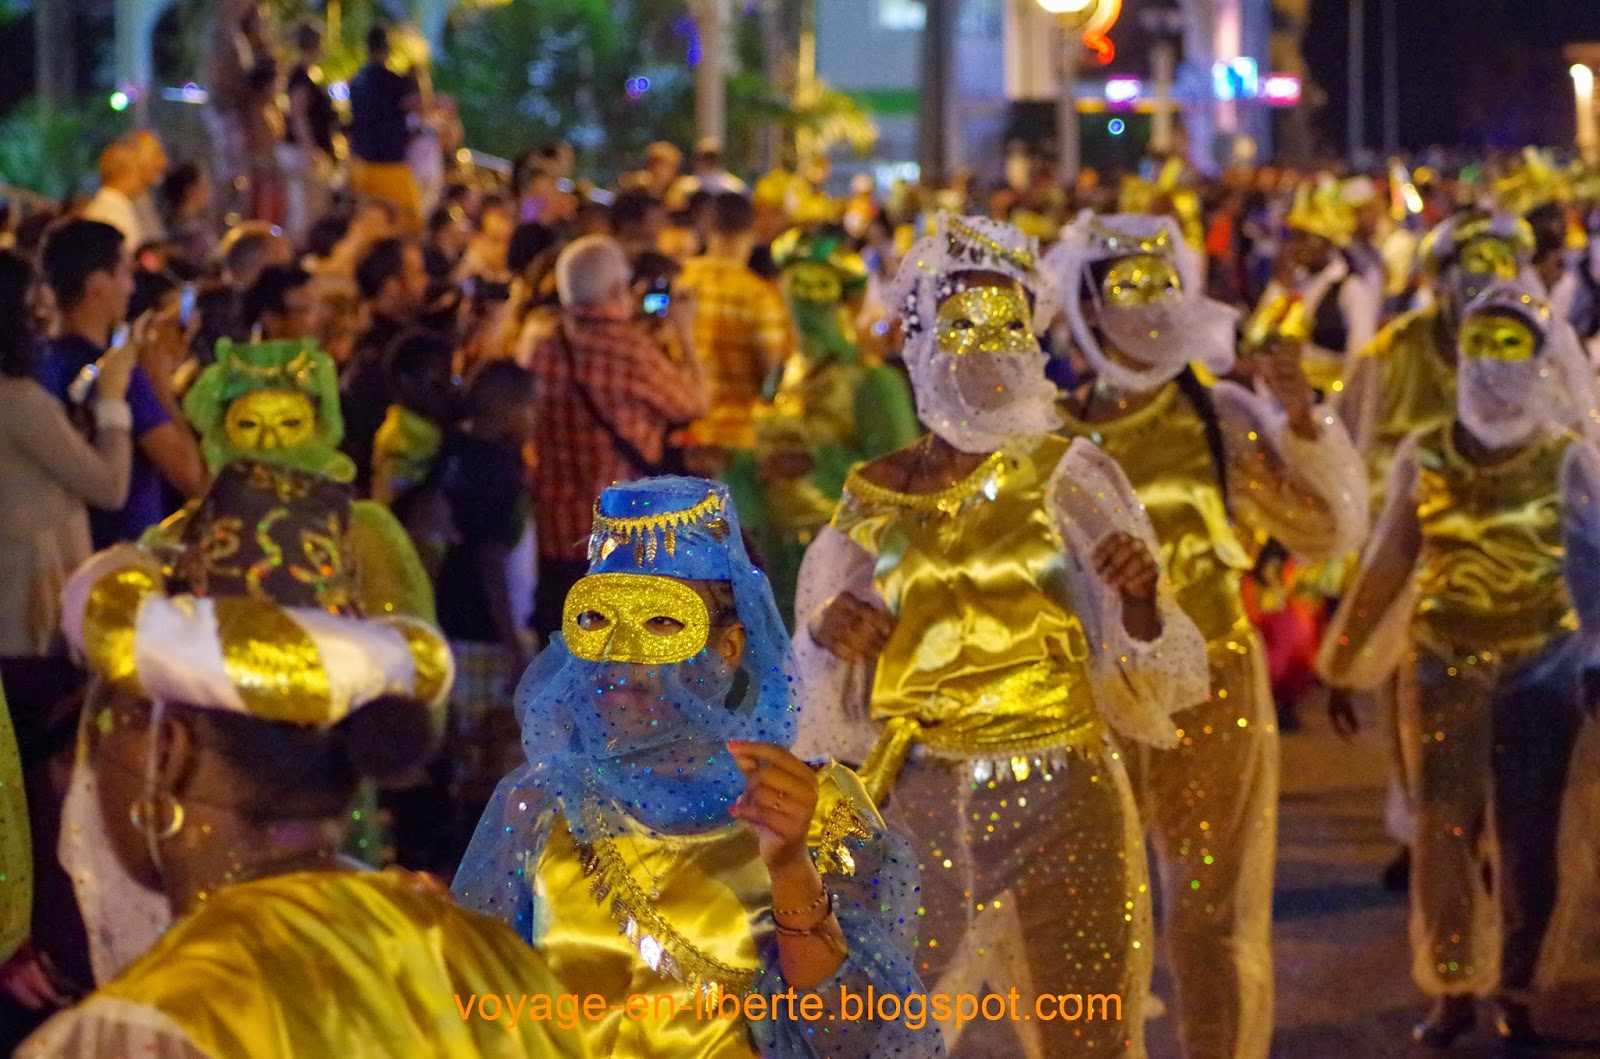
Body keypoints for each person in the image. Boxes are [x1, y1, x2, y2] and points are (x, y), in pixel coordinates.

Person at [793, 214, 1212, 1056]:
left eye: (1004, 326)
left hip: (1068, 791)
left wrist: (1139, 599)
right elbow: (819, 676)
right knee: (877, 1030)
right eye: (960, 325)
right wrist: (832, 631)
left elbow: (1148, 661)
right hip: (922, 796)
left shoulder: (1071, 473)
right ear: (919, 339)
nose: (983, 348)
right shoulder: (871, 495)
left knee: (1088, 1028)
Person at [16, 466, 585, 1058]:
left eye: (119, 719)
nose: (82, 766)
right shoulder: (490, 963)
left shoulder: (143, 1033)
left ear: (168, 753)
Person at [454, 476, 939, 1058]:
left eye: (661, 622)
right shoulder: (542, 804)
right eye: (597, 620)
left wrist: (788, 867)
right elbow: (476, 1018)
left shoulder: (814, 808)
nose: (621, 655)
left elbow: (860, 1039)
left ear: (729, 647)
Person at [1045, 211, 1370, 1059]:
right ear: (1084, 301)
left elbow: (1322, 528)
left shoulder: (1219, 415)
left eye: (1162, 282)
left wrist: (1302, 424)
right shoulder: (1045, 436)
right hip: (1095, 701)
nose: (1148, 304)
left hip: (1214, 684)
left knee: (1209, 914)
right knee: (1096, 920)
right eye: (1125, 285)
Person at [1320, 283, 1600, 1048]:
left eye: (1512, 347)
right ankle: (1449, 987)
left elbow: (1595, 564)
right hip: (1441, 669)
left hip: (1540, 672)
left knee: (1525, 837)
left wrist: (1597, 661)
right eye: (1481, 345)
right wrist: (1342, 663)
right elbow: (1389, 562)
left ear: (1541, 363)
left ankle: (1516, 984)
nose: (1492, 366)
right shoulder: (1428, 451)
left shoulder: (1568, 456)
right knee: (1443, 835)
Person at [157, 336, 436, 622]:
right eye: (249, 424)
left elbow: (405, 635)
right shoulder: (188, 528)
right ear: (222, 433)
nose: (268, 441)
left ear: (317, 428)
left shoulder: (361, 528)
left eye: (289, 423)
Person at [731, 225, 918, 625]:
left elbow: (904, 484)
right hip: (774, 557)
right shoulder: (782, 374)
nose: (807, 305)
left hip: (843, 562)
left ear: (844, 301)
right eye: (797, 287)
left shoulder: (873, 382)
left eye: (821, 290)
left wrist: (816, 462)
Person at [528, 235, 708, 638]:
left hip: (554, 532)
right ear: (615, 291)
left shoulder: (539, 343)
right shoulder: (630, 351)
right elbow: (694, 403)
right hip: (619, 536)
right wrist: (684, 335)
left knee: (560, 650)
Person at [424, 360, 538, 865]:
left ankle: (453, 843)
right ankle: (476, 856)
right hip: (482, 630)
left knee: (461, 746)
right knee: (485, 748)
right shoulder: (495, 469)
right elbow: (490, 558)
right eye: (531, 406)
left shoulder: (456, 454)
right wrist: (512, 642)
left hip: (452, 619)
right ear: (510, 408)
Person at [35, 220, 207, 546]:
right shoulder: (119, 375)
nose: (131, 288)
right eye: (125, 273)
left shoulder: (33, 366)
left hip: (62, 553)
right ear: (97, 284)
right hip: (122, 564)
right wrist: (159, 380)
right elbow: (192, 478)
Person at [0, 250, 134, 658]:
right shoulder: (17, 400)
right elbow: (110, 488)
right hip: (29, 621)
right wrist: (112, 399)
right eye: (34, 310)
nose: (44, 323)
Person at [678, 192, 795, 451]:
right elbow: (773, 375)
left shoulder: (681, 281)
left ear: (706, 228)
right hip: (740, 440)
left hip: (687, 433)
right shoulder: (758, 295)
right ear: (751, 231)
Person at [341, 236, 430, 491]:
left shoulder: (358, 337)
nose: (426, 281)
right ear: (392, 286)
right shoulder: (396, 352)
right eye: (418, 273)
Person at [371, 329, 460, 508]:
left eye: (452, 381)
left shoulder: (422, 429)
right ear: (406, 382)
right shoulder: (404, 439)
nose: (448, 391)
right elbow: (394, 505)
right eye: (437, 383)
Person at [348, 25, 422, 223]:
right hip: (389, 165)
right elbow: (419, 105)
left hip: (361, 163)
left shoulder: (356, 81)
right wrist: (418, 76)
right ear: (387, 49)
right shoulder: (395, 82)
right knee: (405, 219)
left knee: (365, 220)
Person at [278, 21, 340, 248]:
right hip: (301, 152)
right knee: (302, 211)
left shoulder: (308, 75)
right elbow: (299, 114)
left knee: (311, 208)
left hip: (307, 150)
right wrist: (310, 148)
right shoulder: (301, 77)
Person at [78, 141, 155, 252]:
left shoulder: (111, 205)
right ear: (128, 173)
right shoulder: (112, 212)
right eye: (140, 171)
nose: (145, 181)